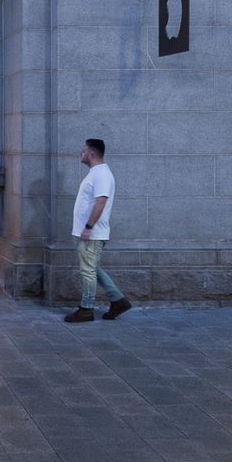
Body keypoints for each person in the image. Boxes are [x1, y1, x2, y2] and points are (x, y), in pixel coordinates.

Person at [63, 138, 131, 323]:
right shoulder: (96, 173)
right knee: (92, 268)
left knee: (88, 271)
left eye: (84, 150)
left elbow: (100, 202)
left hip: (92, 233)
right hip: (89, 232)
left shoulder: (101, 174)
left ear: (92, 153)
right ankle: (118, 301)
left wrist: (88, 227)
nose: (81, 153)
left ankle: (86, 309)